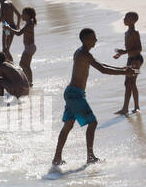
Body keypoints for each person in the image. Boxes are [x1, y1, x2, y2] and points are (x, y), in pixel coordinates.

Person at [52, 28, 134, 167]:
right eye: (92, 38)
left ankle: (57, 158)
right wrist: (124, 73)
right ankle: (90, 157)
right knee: (92, 123)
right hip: (75, 94)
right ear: (84, 39)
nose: (95, 40)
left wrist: (123, 69)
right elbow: (102, 69)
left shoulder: (84, 53)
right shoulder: (83, 54)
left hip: (73, 93)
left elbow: (102, 65)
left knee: (68, 125)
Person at [114, 11, 142, 115]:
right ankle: (125, 108)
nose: (124, 19)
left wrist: (124, 52)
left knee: (132, 83)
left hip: (137, 60)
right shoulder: (126, 33)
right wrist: (121, 54)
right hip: (131, 59)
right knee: (127, 83)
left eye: (126, 18)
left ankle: (137, 107)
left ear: (132, 21)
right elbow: (130, 49)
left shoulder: (135, 33)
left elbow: (139, 49)